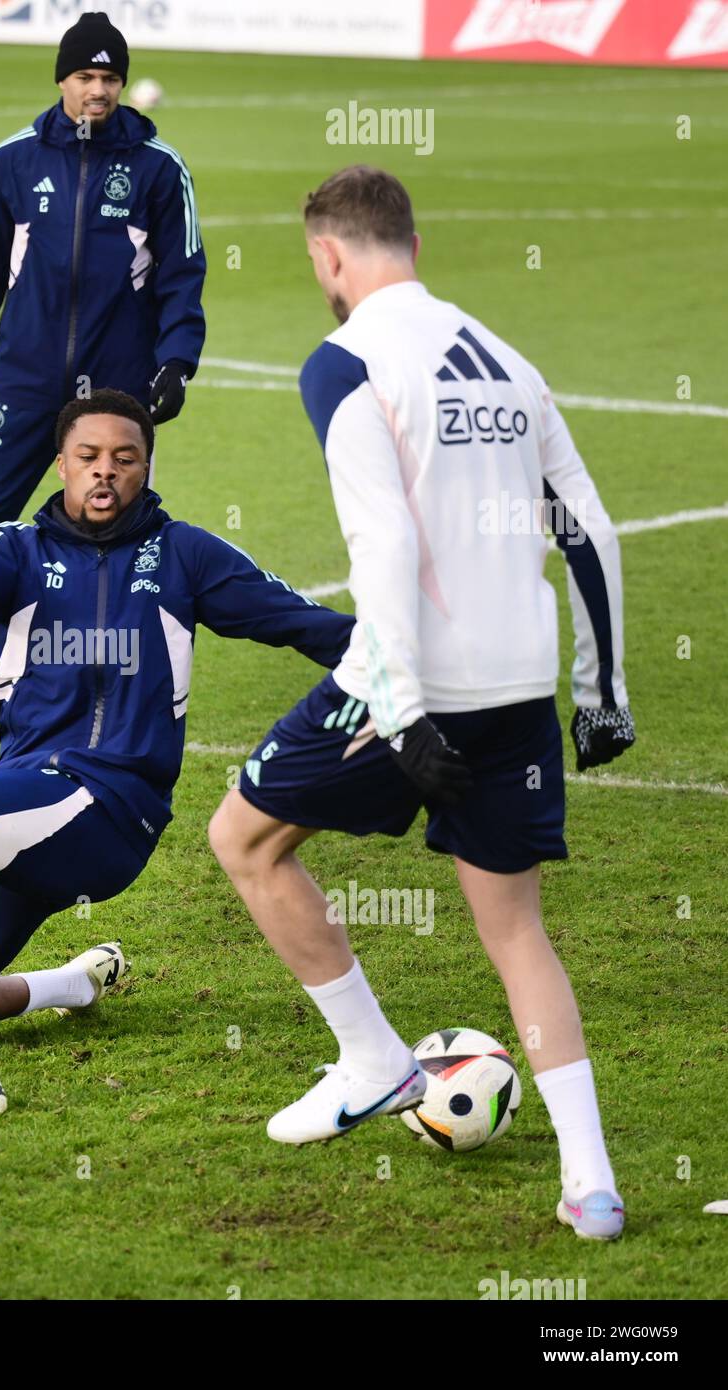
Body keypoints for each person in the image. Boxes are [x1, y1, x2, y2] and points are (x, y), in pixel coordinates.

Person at [207, 166, 635, 1240]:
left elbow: (382, 545)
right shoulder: (507, 360)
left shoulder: (343, 361)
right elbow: (587, 529)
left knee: (244, 839)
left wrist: (395, 712)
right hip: (515, 689)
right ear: (410, 239)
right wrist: (601, 692)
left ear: (326, 257)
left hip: (406, 688)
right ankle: (590, 1186)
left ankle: (369, 1057)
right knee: (517, 934)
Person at [0, 389, 353, 1119]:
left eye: (125, 459)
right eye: (88, 457)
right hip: (27, 807)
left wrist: (417, 662)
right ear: (60, 464)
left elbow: (302, 624)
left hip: (112, 807)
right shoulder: (17, 551)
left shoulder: (184, 553)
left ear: (147, 468)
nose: (105, 473)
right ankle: (72, 984)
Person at [0, 10, 206, 740]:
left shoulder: (157, 167)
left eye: (110, 77)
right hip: (23, 381)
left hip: (117, 385)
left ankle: (117, 681)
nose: (99, 90)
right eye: (86, 76)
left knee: (115, 528)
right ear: (61, 79)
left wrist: (177, 362)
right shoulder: (13, 162)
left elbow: (184, 276)